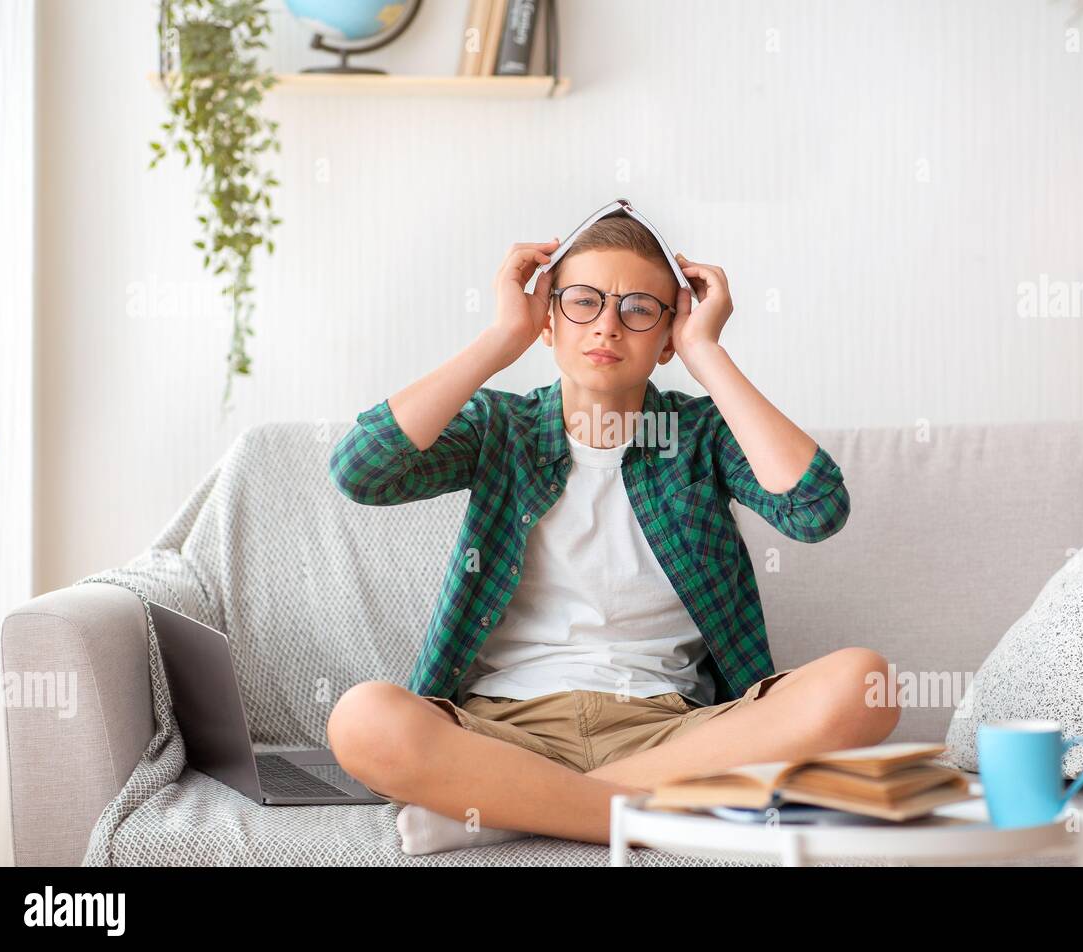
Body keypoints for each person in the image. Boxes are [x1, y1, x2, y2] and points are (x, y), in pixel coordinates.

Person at [325, 212, 899, 845]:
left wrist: (708, 354)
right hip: (503, 735)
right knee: (363, 719)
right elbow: (360, 471)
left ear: (669, 336)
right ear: (548, 319)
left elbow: (817, 509)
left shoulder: (700, 434)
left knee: (865, 686)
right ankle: (623, 810)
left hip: (672, 733)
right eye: (583, 302)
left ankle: (515, 813)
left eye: (639, 309)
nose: (606, 324)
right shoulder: (501, 427)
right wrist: (500, 337)